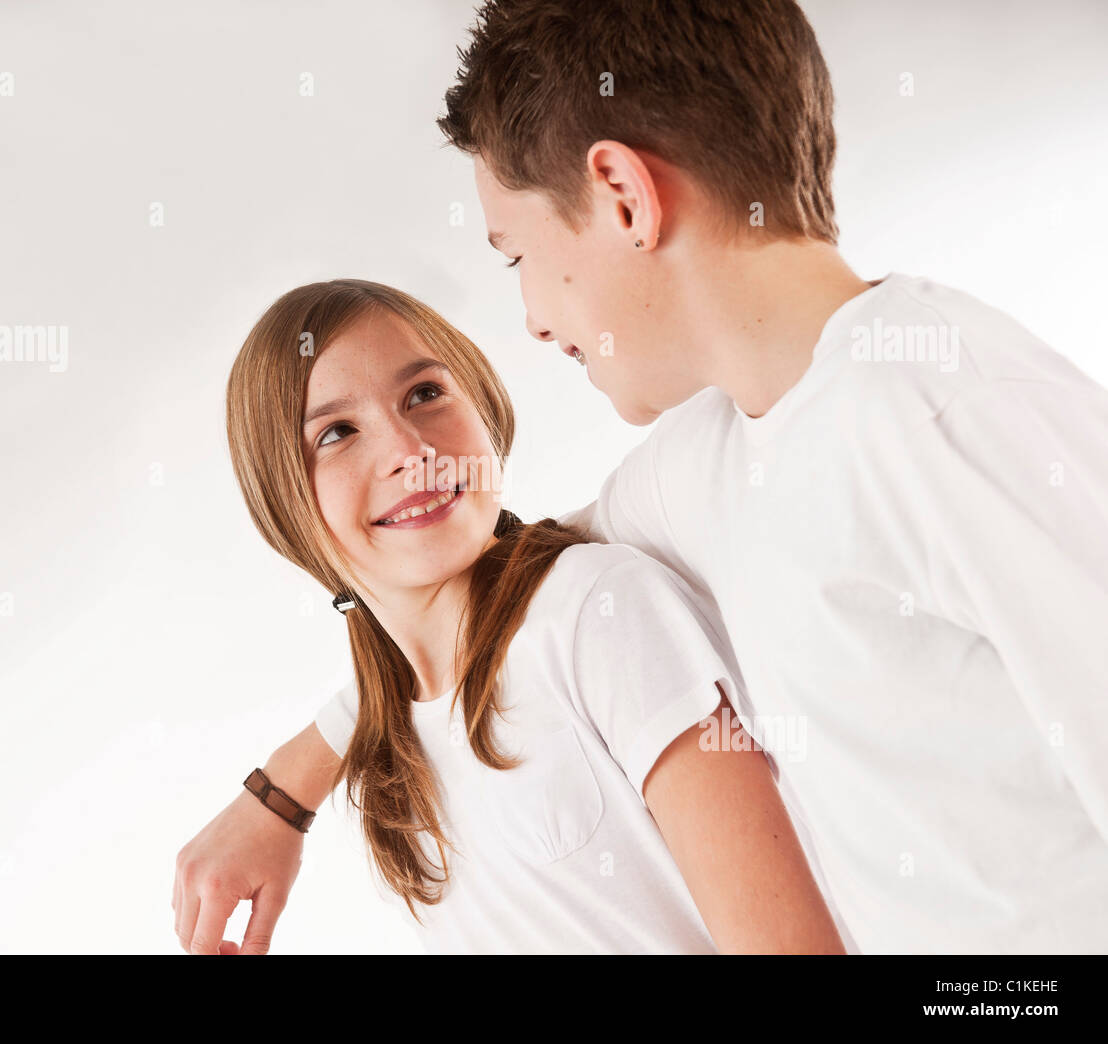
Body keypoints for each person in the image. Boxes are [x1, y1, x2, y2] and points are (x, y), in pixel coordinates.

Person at [175, 0, 1108, 954]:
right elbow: (483, 578)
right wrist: (280, 795)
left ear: (624, 194)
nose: (535, 319)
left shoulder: (952, 414)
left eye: (519, 255)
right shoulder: (719, 456)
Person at [189, 277, 845, 954]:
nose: (410, 452)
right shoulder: (389, 755)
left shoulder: (593, 611)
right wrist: (274, 801)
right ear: (285, 508)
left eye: (425, 393)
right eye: (336, 433)